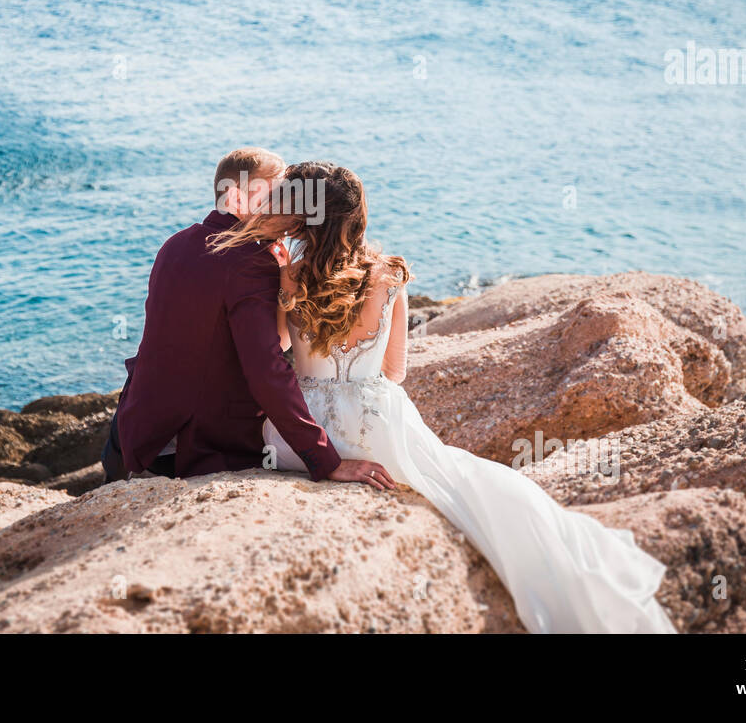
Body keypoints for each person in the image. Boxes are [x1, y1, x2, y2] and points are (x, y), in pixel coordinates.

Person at [211, 160, 677, 634]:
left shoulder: (290, 275)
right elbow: (395, 372)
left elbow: (280, 350)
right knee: (478, 484)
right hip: (376, 434)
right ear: (357, 215)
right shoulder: (388, 276)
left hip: (296, 441)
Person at [101, 148, 395, 491]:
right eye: (278, 193)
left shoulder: (176, 244)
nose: (290, 204)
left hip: (135, 430)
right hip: (191, 445)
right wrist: (325, 461)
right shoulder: (248, 262)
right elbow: (266, 370)